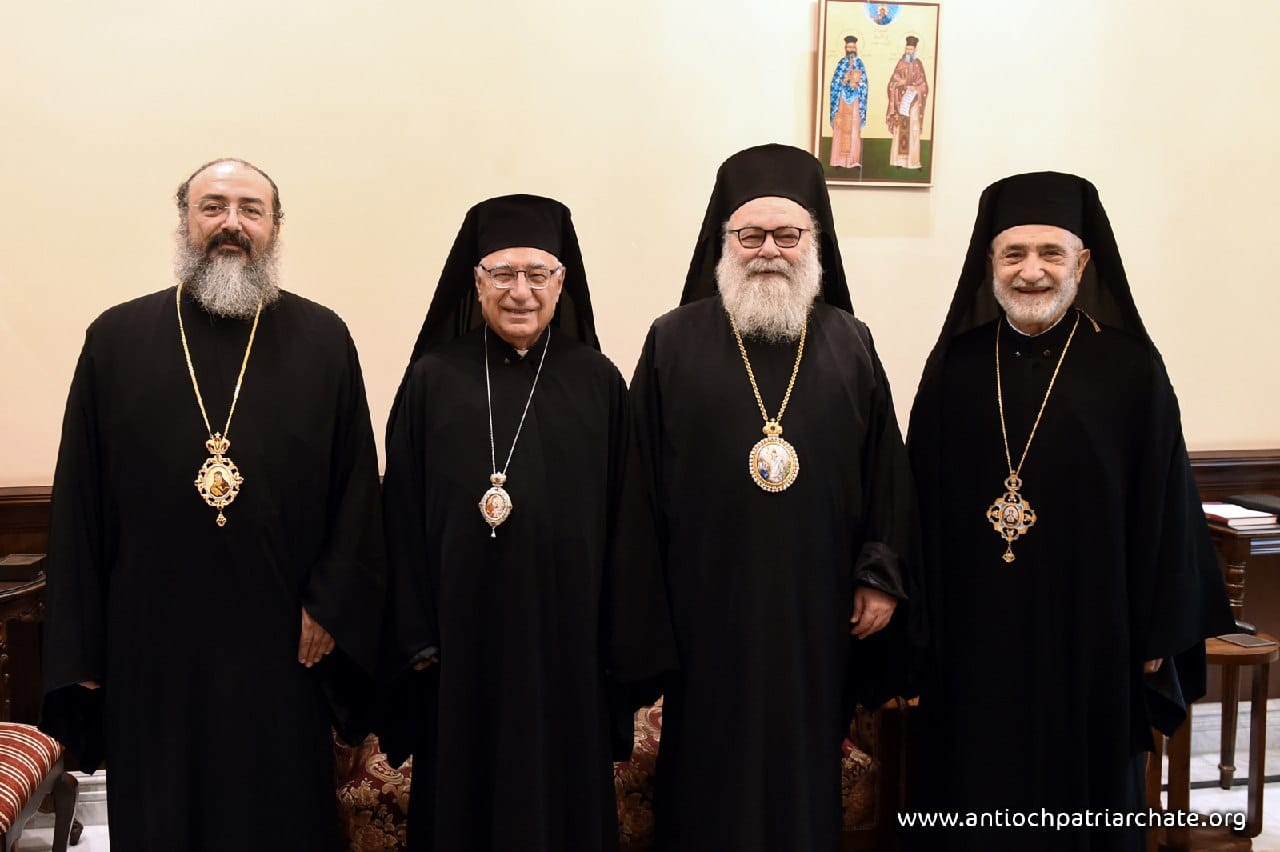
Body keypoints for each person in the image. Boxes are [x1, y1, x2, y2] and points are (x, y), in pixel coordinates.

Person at [39, 158, 385, 850]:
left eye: (251, 209)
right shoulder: (116, 339)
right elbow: (78, 496)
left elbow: (356, 486)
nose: (232, 224)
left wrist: (329, 603)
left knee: (278, 815)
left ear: (275, 228)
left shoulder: (324, 340)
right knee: (165, 815)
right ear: (185, 222)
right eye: (213, 207)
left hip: (282, 642)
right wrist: (82, 639)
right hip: (151, 643)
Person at [907, 171, 1234, 850]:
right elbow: (914, 507)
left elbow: (1165, 507)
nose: (1032, 272)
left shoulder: (1131, 370)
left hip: (1092, 642)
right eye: (1013, 254)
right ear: (988, 263)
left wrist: (1155, 633)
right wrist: (918, 631)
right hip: (974, 642)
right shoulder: (954, 370)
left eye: (1051, 253)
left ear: (1083, 263)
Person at [630, 144, 923, 851]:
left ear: (813, 244)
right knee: (705, 773)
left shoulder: (850, 343)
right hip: (702, 611)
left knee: (802, 772)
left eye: (787, 235)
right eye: (751, 235)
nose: (769, 250)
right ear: (722, 243)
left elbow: (887, 468)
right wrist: (650, 610)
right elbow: (636, 485)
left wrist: (878, 575)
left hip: (815, 613)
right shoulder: (672, 342)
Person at [380, 194, 676, 852]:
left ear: (561, 283)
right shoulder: (431, 381)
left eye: (537, 275)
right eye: (503, 275)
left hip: (565, 654)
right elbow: (397, 517)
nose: (520, 293)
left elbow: (629, 524)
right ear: (476, 283)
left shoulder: (599, 384)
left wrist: (617, 645)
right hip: (457, 658)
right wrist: (417, 640)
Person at [886, 35, 929, 169]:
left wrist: (916, 88)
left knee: (913, 130)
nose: (908, 51)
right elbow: (891, 83)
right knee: (900, 130)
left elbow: (924, 86)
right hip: (901, 103)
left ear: (915, 50)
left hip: (914, 103)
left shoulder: (918, 64)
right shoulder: (900, 64)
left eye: (911, 49)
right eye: (907, 49)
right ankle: (899, 161)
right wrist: (900, 83)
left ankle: (913, 162)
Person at [829, 35, 868, 170]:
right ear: (845, 48)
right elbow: (834, 83)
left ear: (856, 48)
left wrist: (858, 85)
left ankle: (853, 161)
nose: (850, 50)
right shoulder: (841, 63)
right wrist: (844, 80)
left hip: (856, 101)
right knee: (841, 129)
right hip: (842, 101)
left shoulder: (860, 63)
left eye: (852, 47)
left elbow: (865, 83)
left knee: (854, 130)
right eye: (848, 47)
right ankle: (839, 161)